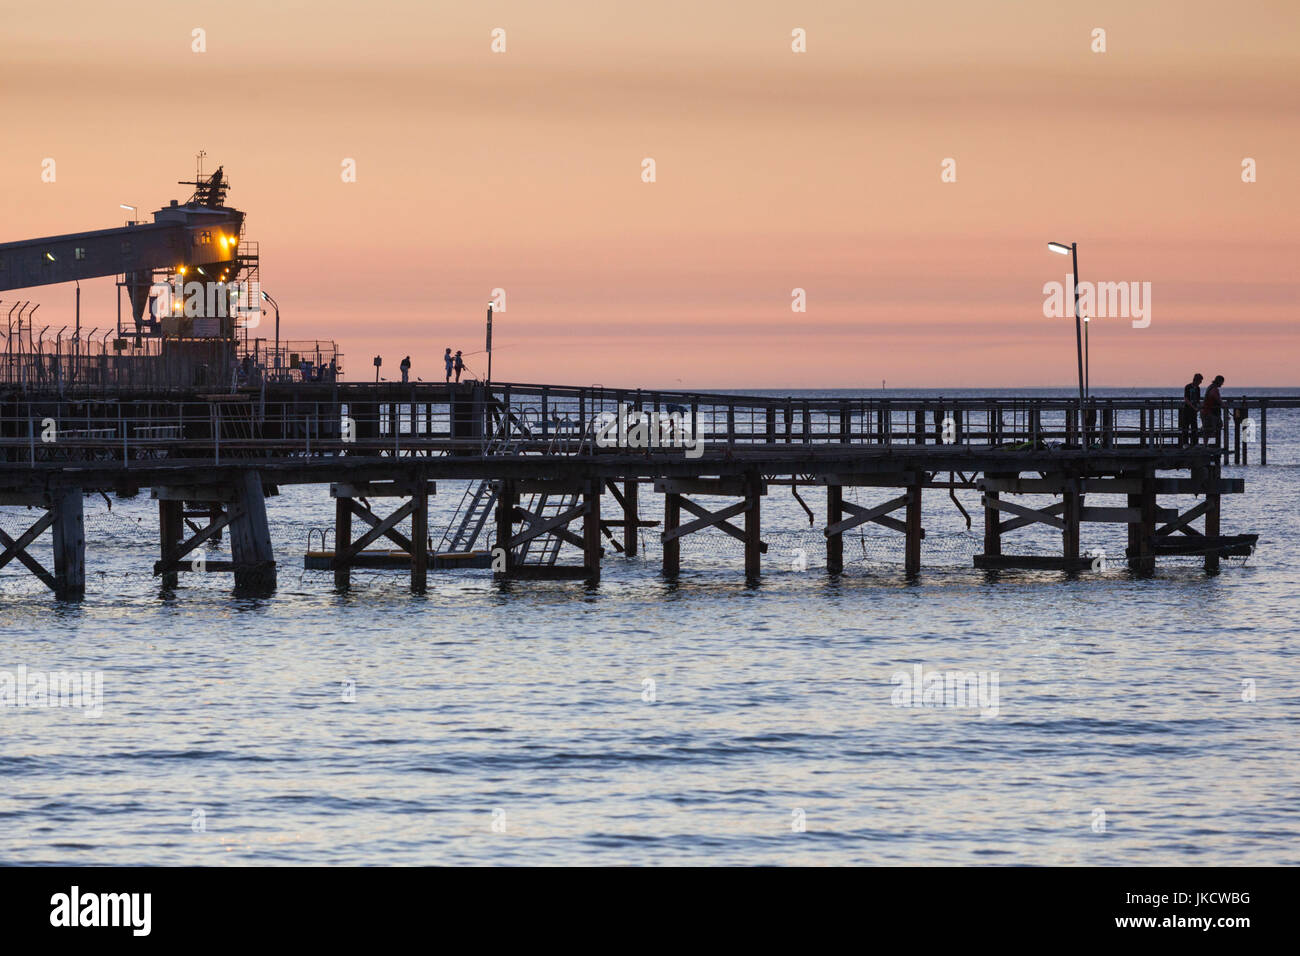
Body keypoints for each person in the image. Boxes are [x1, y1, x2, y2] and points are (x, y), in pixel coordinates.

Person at [1200, 374, 1225, 444]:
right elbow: (1217, 398)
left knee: (1209, 428)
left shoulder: (1210, 387)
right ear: (1219, 381)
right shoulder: (1214, 389)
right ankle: (1206, 445)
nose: (1222, 384)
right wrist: (1223, 405)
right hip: (1209, 412)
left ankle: (1206, 444)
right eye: (1222, 382)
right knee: (1210, 428)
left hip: (1208, 411)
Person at [1180, 372, 1203, 446]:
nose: (1200, 382)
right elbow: (1186, 399)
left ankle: (1195, 443)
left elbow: (1198, 399)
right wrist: (1193, 407)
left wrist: (1200, 406)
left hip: (1194, 410)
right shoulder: (1188, 387)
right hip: (1187, 409)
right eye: (1200, 381)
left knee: (1194, 426)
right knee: (1185, 426)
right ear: (1196, 380)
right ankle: (1185, 443)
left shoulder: (1198, 388)